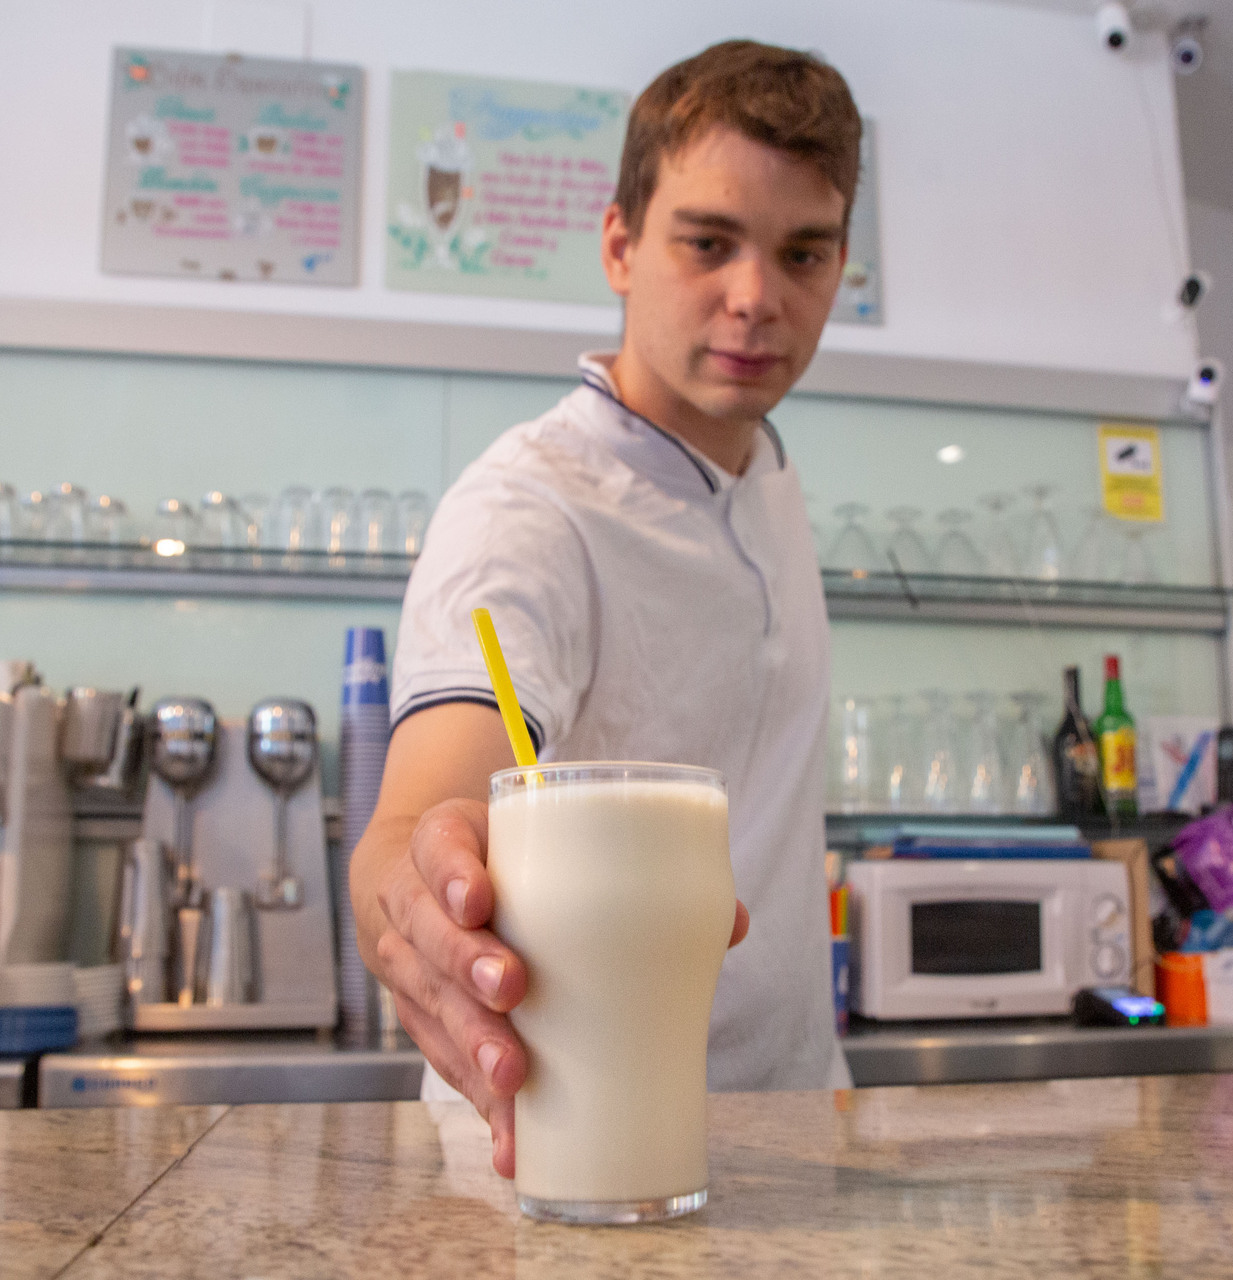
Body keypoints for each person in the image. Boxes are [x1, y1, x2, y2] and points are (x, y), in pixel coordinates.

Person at [350, 39, 861, 1178]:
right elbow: (410, 825)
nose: (757, 299)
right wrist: (420, 899)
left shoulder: (765, 469)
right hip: (568, 1153)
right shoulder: (527, 511)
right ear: (621, 244)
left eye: (804, 252)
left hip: (791, 1123)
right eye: (708, 241)